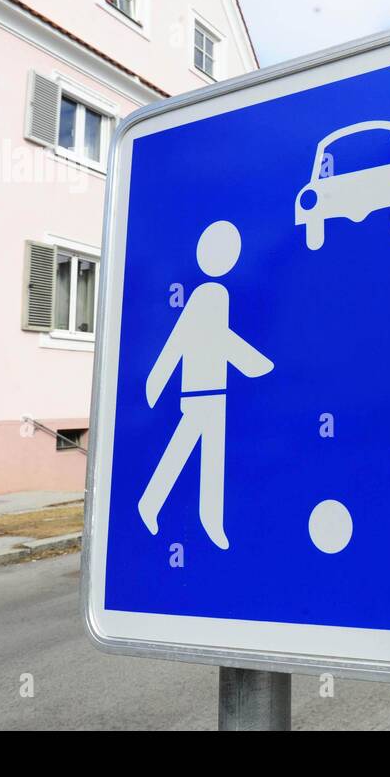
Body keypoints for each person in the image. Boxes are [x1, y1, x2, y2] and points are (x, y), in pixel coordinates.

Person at [137, 220, 273, 550]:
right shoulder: (209, 294)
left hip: (214, 391)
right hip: (201, 390)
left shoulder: (215, 294)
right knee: (187, 451)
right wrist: (254, 363)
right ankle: (153, 504)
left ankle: (209, 520)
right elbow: (190, 339)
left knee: (208, 457)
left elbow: (200, 339)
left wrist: (158, 379)